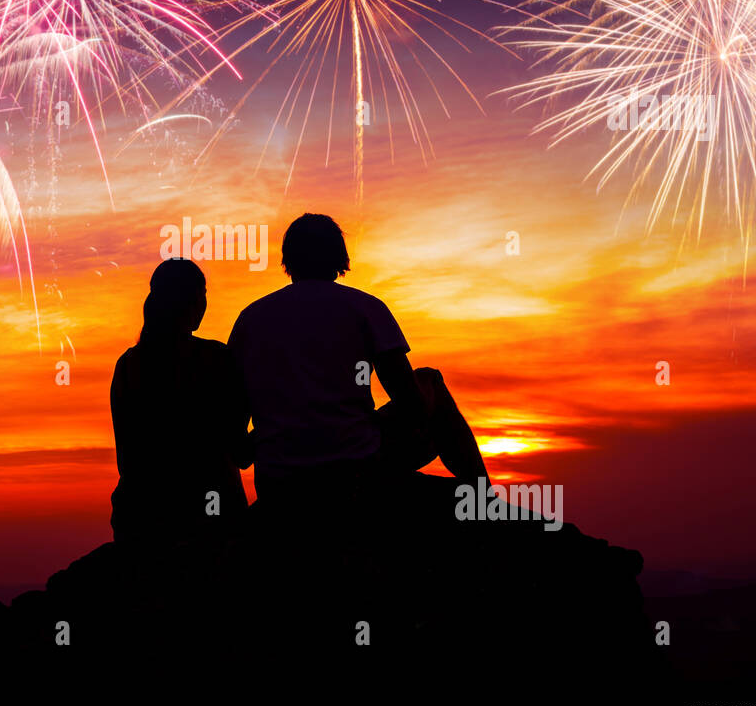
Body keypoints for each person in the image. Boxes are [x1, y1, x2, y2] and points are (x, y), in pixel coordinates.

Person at [227, 213, 488, 509]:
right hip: (357, 470)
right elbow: (412, 405)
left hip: (279, 480)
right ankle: (483, 498)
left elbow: (236, 436)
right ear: (339, 256)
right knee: (429, 381)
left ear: (288, 260)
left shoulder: (251, 318)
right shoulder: (366, 308)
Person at [109, 258, 250, 545]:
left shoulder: (127, 365)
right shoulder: (216, 359)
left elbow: (128, 458)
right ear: (194, 301)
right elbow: (241, 452)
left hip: (141, 519)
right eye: (203, 294)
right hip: (211, 523)